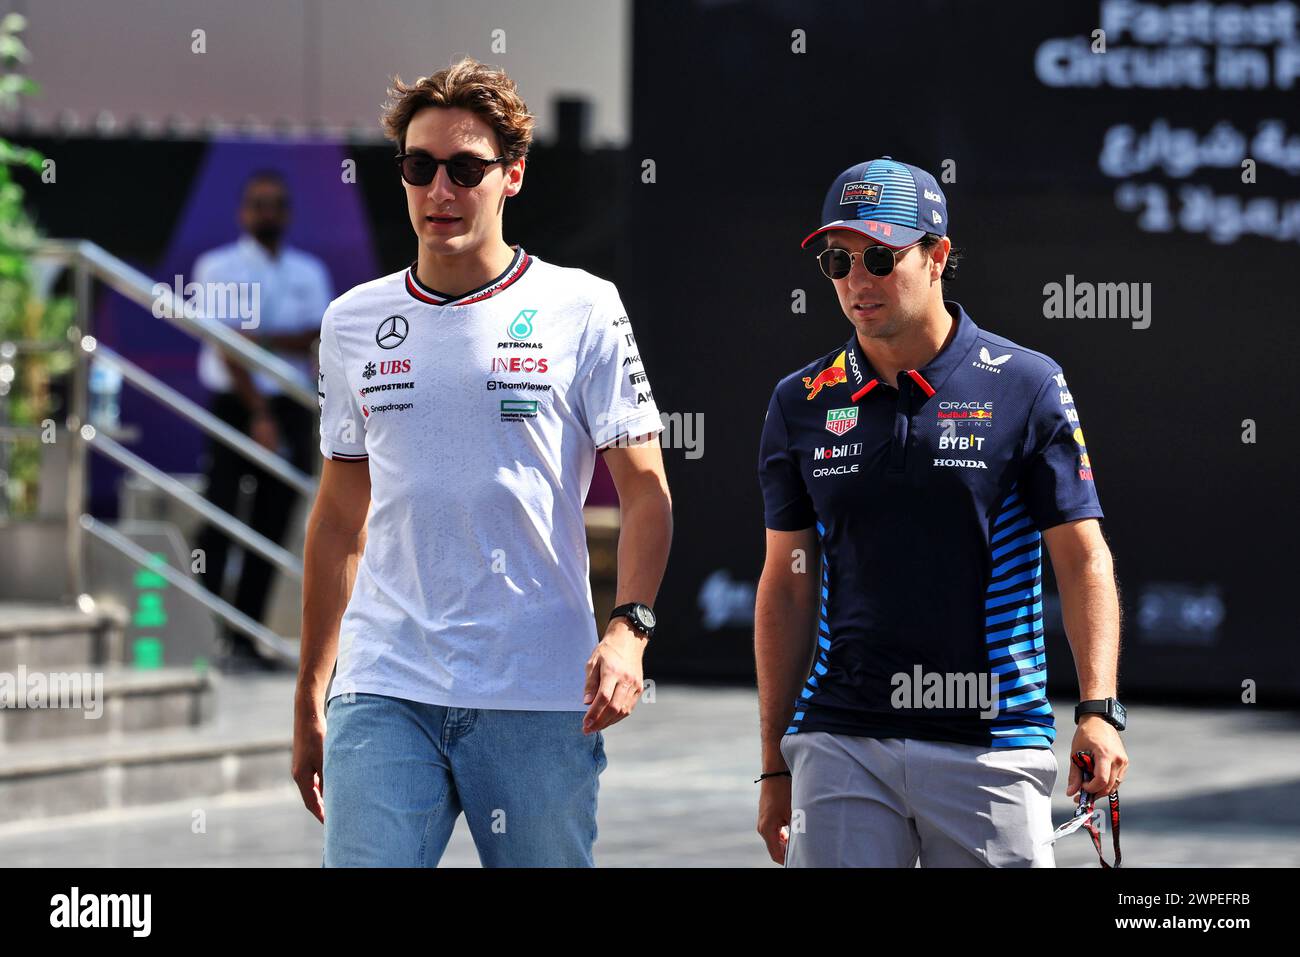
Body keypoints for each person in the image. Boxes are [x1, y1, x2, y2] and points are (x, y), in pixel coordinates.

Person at [293, 56, 672, 867]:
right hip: (384, 684)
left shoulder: (584, 306)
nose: (441, 189)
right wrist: (311, 687)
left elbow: (646, 493)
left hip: (537, 688)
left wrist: (630, 630)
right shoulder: (352, 321)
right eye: (420, 167)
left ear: (513, 175)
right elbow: (338, 520)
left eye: (466, 169)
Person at [754, 157, 1128, 867]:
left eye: (880, 257)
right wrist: (775, 764)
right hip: (841, 738)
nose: (857, 280)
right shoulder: (798, 400)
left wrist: (1098, 709)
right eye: (838, 261)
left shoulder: (1027, 383)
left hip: (991, 740)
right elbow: (787, 585)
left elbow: (1083, 558)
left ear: (937, 256)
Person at [193, 170, 332, 670]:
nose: (267, 212)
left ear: (287, 213)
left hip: (292, 407)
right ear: (242, 211)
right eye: (258, 203)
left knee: (272, 523)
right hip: (235, 404)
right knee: (221, 514)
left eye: (275, 204)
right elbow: (227, 346)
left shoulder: (308, 270)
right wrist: (258, 411)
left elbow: (317, 335)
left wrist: (263, 340)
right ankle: (206, 631)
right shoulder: (217, 266)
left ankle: (246, 638)